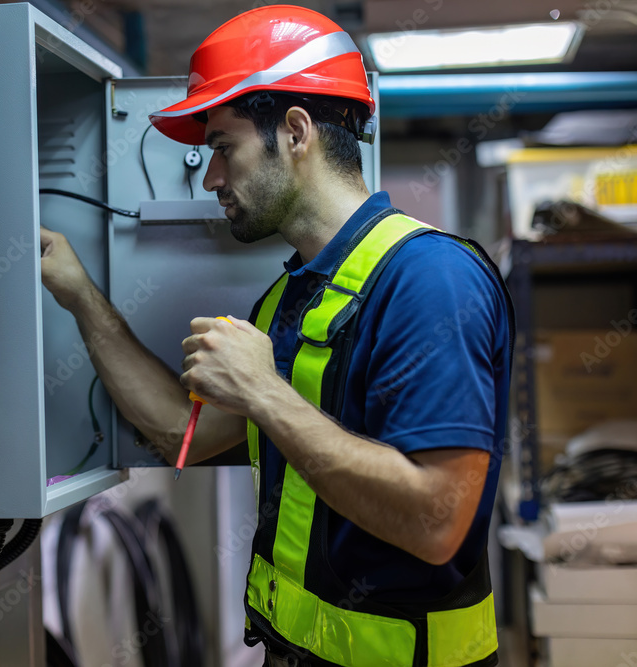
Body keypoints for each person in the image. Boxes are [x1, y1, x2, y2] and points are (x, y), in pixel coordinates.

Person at [40, 6, 514, 666]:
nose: (209, 179)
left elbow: (437, 521)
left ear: (295, 132)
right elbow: (187, 432)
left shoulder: (431, 280)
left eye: (223, 148)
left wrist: (264, 392)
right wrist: (81, 297)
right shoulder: (291, 298)